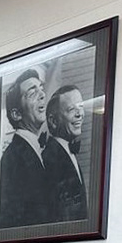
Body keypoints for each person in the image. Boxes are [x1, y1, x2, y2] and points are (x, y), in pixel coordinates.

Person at [0, 68, 50, 229]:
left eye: (41, 88)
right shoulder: (12, 158)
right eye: (32, 92)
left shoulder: (41, 150)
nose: (42, 95)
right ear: (16, 114)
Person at [43, 84, 88, 222]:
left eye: (81, 107)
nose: (79, 114)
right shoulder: (49, 160)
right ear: (53, 121)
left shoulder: (67, 152)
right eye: (71, 109)